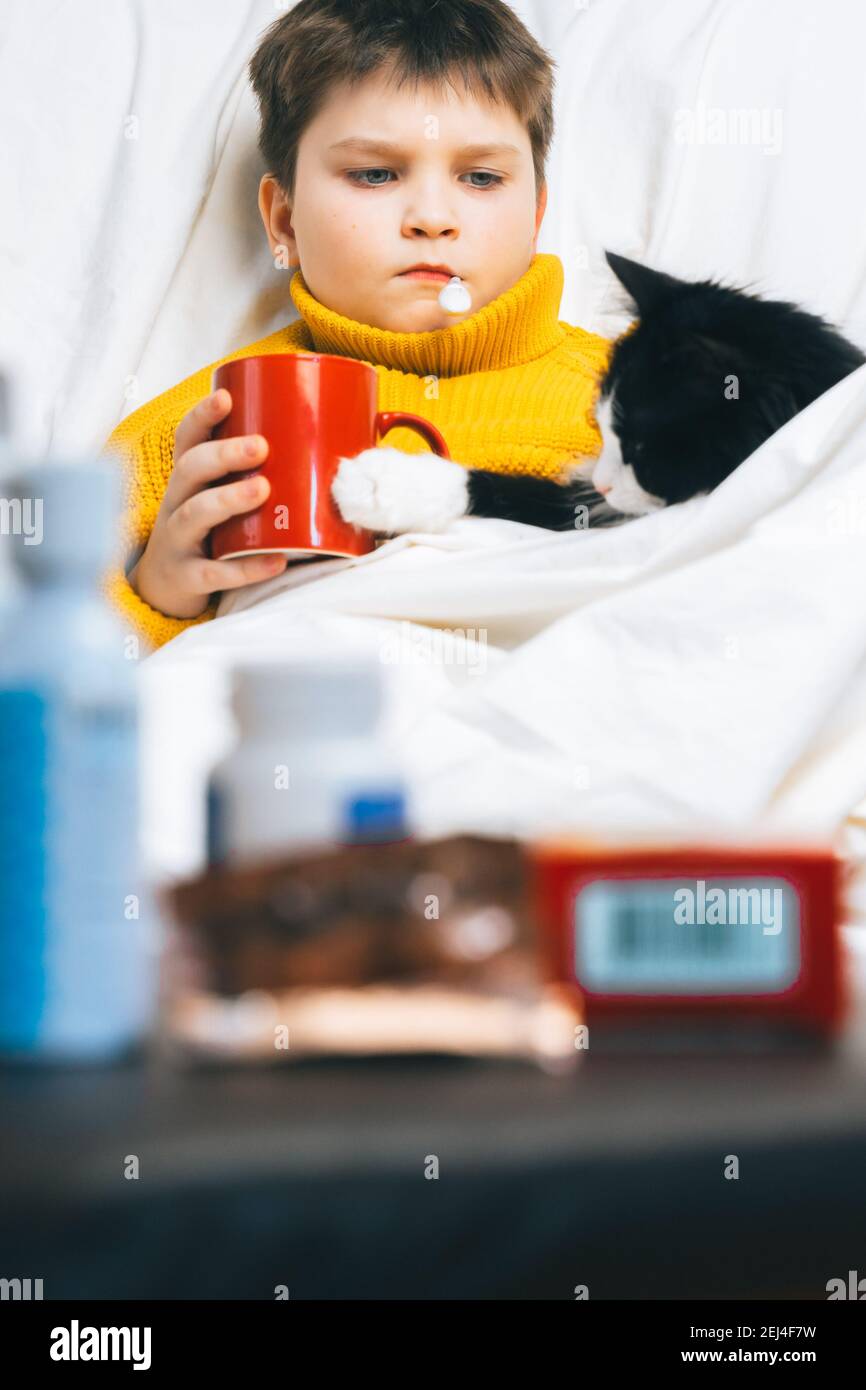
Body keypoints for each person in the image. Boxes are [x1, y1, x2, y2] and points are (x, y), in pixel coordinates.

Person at [101, 0, 610, 651]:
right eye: (374, 173)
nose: (431, 216)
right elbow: (51, 656)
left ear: (535, 215)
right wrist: (157, 597)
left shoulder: (640, 394)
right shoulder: (203, 435)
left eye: (480, 177)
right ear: (284, 222)